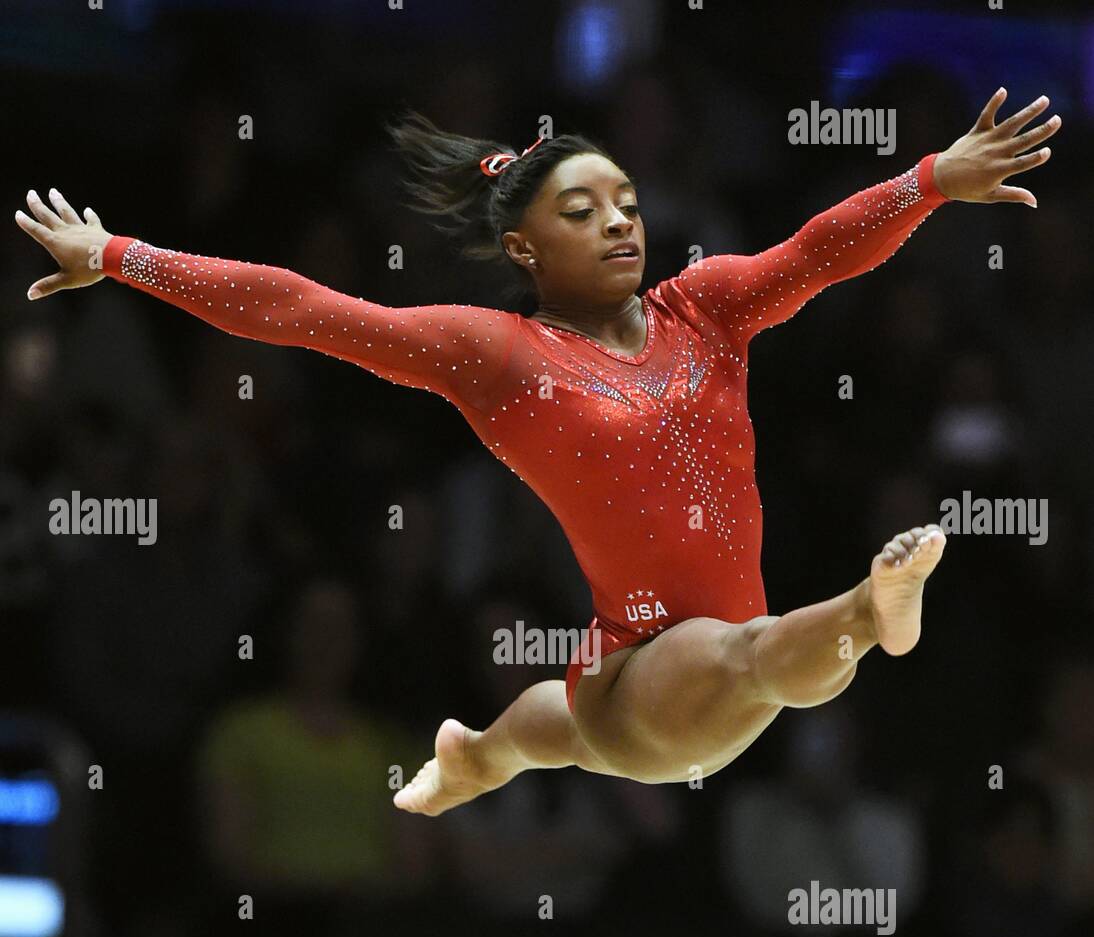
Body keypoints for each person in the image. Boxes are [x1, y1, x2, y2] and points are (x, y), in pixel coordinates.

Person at [16, 90, 1060, 814]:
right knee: (746, 656)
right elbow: (303, 311)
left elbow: (815, 251)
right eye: (582, 211)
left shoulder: (703, 311)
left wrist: (926, 178)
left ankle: (471, 756)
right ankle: (868, 612)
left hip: (641, 683)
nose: (618, 224)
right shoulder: (496, 356)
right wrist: (115, 254)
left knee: (547, 726)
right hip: (667, 680)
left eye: (626, 205)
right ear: (523, 249)